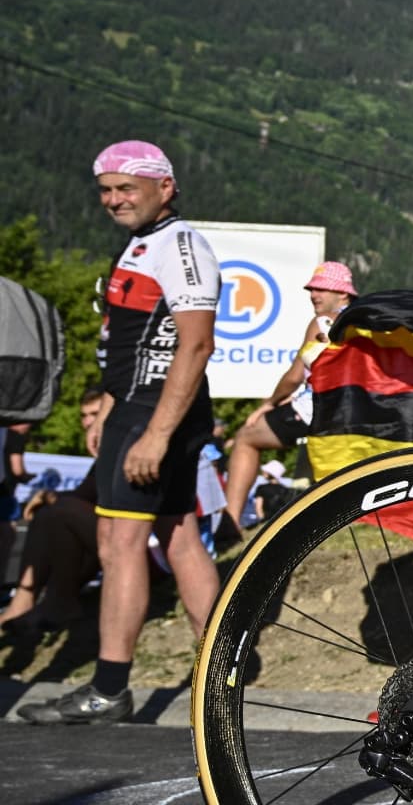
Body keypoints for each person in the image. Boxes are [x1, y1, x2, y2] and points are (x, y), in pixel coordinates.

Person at [21, 142, 221, 725]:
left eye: (126, 189)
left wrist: (154, 433)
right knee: (179, 534)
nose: (113, 200)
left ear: (165, 187)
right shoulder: (141, 244)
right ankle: (221, 670)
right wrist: (109, 408)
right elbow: (127, 341)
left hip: (156, 410)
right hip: (134, 407)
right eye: (105, 190)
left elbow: (196, 343)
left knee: (119, 542)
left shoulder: (181, 244)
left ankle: (110, 689)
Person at [222, 261, 356, 530]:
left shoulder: (322, 322)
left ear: (343, 294)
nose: (313, 295)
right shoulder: (365, 319)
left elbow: (295, 376)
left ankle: (230, 522)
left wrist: (267, 405)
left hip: (317, 409)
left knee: (246, 438)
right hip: (357, 410)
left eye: (322, 289)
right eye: (311, 289)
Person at [0, 387, 109, 639]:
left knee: (57, 512)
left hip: (146, 550)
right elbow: (83, 497)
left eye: (95, 413)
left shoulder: (124, 447)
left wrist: (52, 497)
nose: (88, 422)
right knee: (50, 513)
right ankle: (36, 599)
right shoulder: (102, 455)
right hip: (114, 539)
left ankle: (44, 600)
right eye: (84, 415)